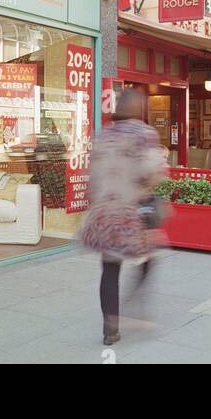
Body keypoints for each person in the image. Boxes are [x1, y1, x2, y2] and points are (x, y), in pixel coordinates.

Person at [78, 88, 166, 347]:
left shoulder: (103, 135)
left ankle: (110, 330)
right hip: (132, 212)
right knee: (149, 257)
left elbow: (91, 175)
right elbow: (152, 172)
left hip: (104, 212)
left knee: (109, 268)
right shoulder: (144, 134)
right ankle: (134, 300)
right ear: (139, 108)